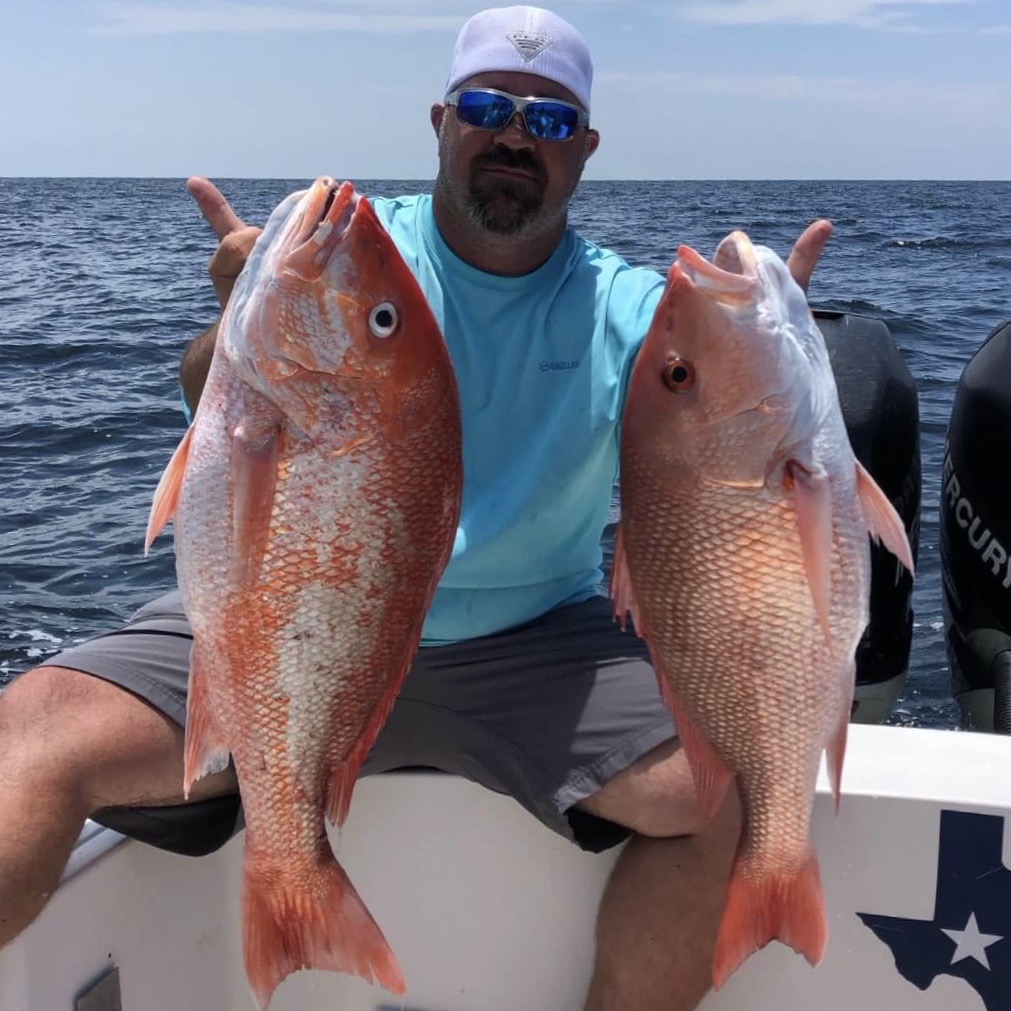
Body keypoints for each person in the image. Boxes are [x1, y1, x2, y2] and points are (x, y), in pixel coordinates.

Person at [0, 7, 831, 1009]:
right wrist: (233, 322)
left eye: (553, 121)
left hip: (531, 647)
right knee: (34, 733)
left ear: (587, 151)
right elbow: (212, 409)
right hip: (287, 618)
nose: (518, 135)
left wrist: (769, 380)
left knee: (722, 799)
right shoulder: (350, 252)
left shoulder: (629, 309)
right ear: (441, 120)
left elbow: (707, 472)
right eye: (489, 106)